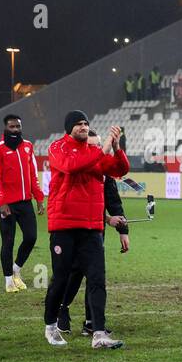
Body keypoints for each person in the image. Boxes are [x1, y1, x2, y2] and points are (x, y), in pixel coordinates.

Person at [42, 111, 129, 349]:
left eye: (85, 123)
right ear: (69, 128)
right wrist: (102, 150)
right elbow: (70, 167)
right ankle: (50, 326)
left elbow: (120, 170)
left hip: (91, 228)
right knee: (61, 279)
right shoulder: (58, 147)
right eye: (79, 124)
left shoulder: (94, 154)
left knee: (97, 280)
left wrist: (117, 148)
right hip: (64, 225)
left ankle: (99, 333)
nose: (83, 126)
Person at [0, 114, 42, 292]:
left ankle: (16, 270)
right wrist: (2, 202)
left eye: (18, 127)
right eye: (12, 127)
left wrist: (38, 198)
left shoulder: (28, 146)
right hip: (7, 204)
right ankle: (9, 281)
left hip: (25, 203)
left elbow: (32, 174)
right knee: (8, 242)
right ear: (6, 128)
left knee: (31, 237)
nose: (15, 130)